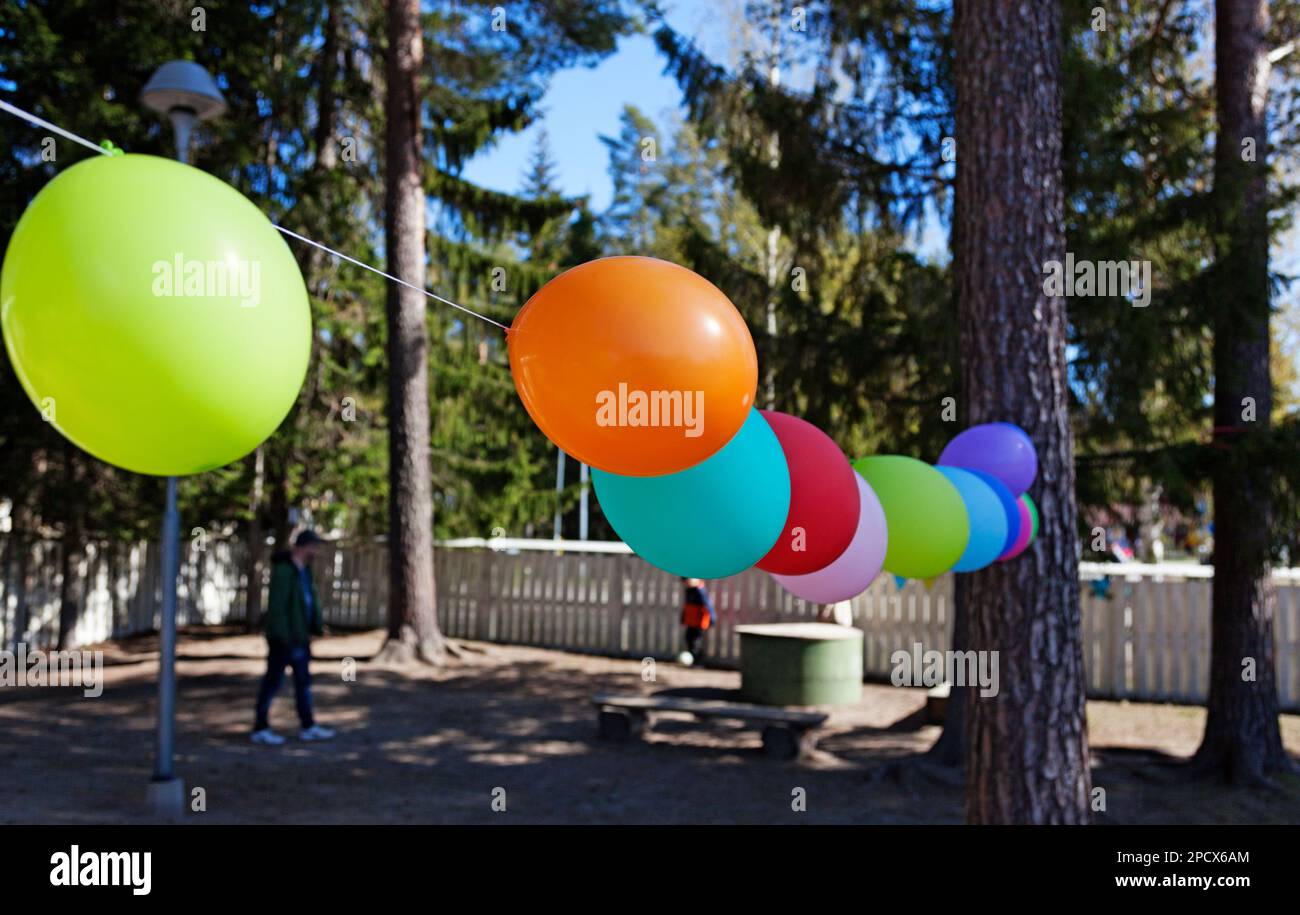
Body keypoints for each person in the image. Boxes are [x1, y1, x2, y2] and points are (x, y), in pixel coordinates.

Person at [251, 529, 336, 744]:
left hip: (300, 638)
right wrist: (282, 637)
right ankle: (260, 728)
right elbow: (277, 607)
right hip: (284, 640)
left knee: (303, 684)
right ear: (301, 547)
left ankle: (308, 726)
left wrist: (315, 626)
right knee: (272, 683)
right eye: (313, 546)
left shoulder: (304, 570)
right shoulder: (284, 570)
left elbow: (308, 601)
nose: (315, 551)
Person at [679, 577, 716, 666]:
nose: (685, 583)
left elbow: (708, 605)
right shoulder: (689, 591)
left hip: (698, 622)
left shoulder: (700, 591)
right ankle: (693, 659)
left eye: (687, 581)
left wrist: (712, 618)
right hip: (691, 621)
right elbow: (687, 606)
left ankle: (698, 662)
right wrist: (683, 617)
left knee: (696, 642)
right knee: (689, 638)